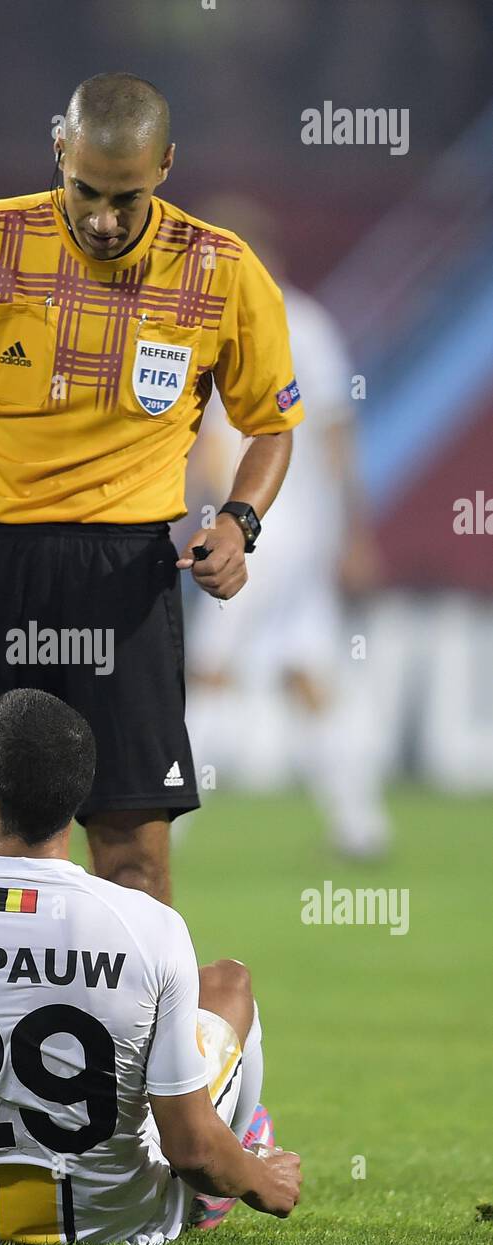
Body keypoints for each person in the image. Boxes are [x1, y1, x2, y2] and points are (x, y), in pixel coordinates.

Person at [0, 70, 302, 1220]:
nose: (104, 216)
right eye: (88, 190)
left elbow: (271, 425)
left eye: (126, 195)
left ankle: (165, 1147)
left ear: (166, 171)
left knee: (134, 865)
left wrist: (239, 525)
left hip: (125, 573)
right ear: (59, 151)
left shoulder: (217, 270)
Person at [0, 689, 302, 1245]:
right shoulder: (150, 926)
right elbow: (192, 1148)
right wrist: (258, 1179)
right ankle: (222, 1177)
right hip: (117, 1221)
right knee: (228, 983)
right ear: (78, 801)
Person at [185, 198, 389, 857]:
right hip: (286, 530)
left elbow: (332, 432)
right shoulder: (242, 322)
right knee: (303, 668)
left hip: (273, 529)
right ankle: (361, 827)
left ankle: (164, 820)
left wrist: (353, 532)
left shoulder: (292, 322)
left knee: (211, 663)